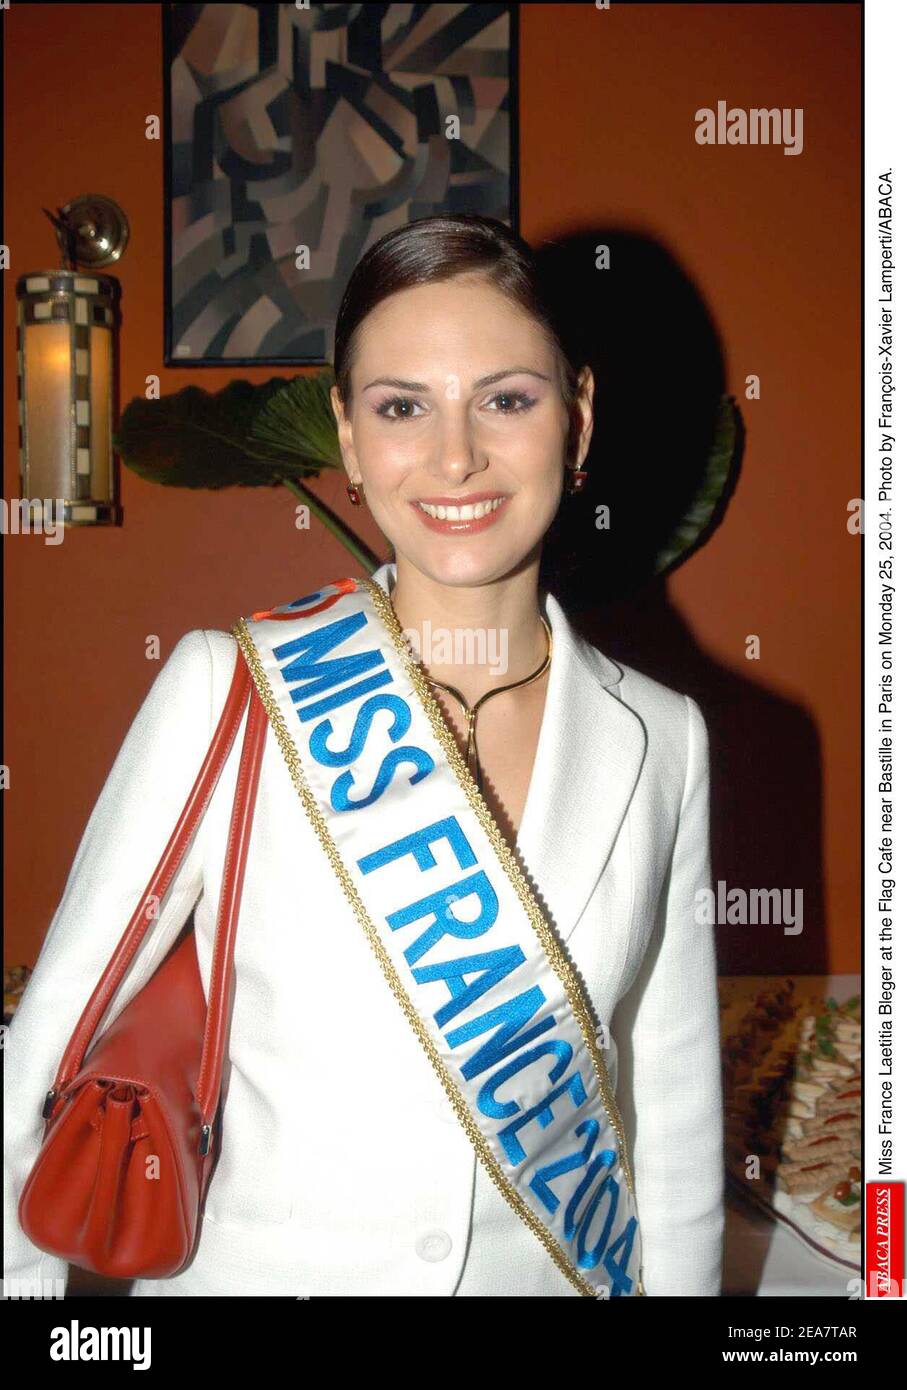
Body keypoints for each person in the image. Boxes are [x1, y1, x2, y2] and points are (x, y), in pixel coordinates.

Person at [4, 214, 724, 1297]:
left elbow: (668, 1104)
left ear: (576, 422)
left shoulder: (661, 738)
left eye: (506, 399)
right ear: (345, 435)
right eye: (401, 407)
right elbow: (56, 1031)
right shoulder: (225, 687)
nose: (455, 456)